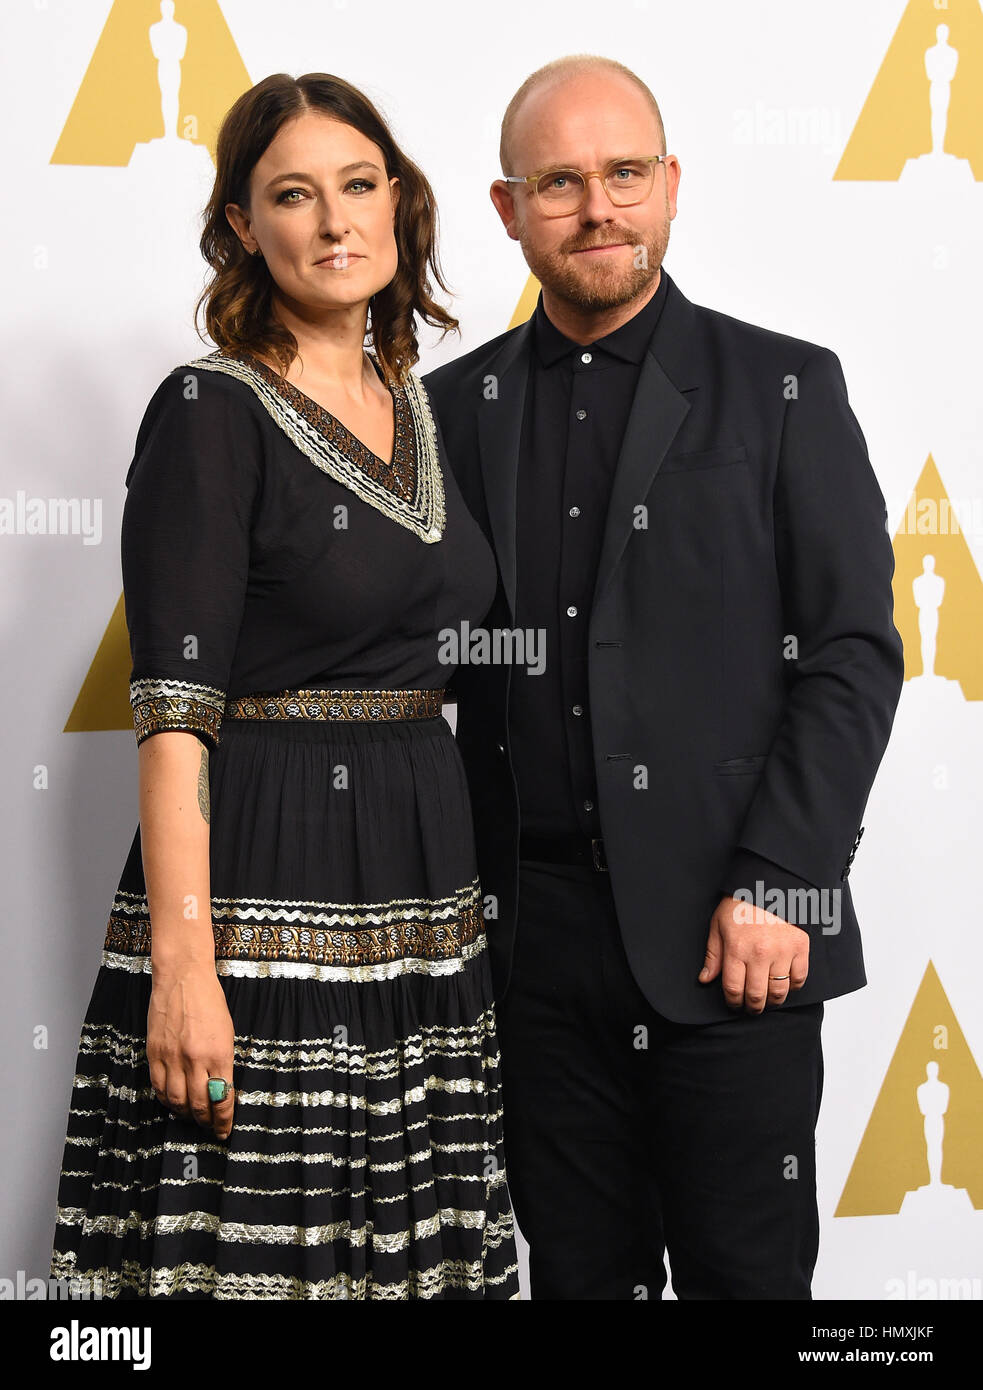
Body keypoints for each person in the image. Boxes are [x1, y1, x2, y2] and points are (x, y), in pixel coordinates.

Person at [423, 53, 904, 1299]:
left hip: (734, 935)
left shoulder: (783, 386)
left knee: (748, 1281)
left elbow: (850, 652)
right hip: (526, 956)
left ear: (672, 184)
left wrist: (783, 880)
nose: (599, 209)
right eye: (561, 181)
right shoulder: (441, 412)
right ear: (507, 208)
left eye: (625, 173)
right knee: (581, 1279)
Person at [49, 71, 520, 1301]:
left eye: (357, 186)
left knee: (410, 1244)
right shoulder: (211, 410)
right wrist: (186, 968)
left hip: (420, 878)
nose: (332, 223)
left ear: (402, 204)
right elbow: (172, 722)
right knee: (256, 1244)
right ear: (243, 228)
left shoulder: (425, 407)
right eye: (292, 196)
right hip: (264, 873)